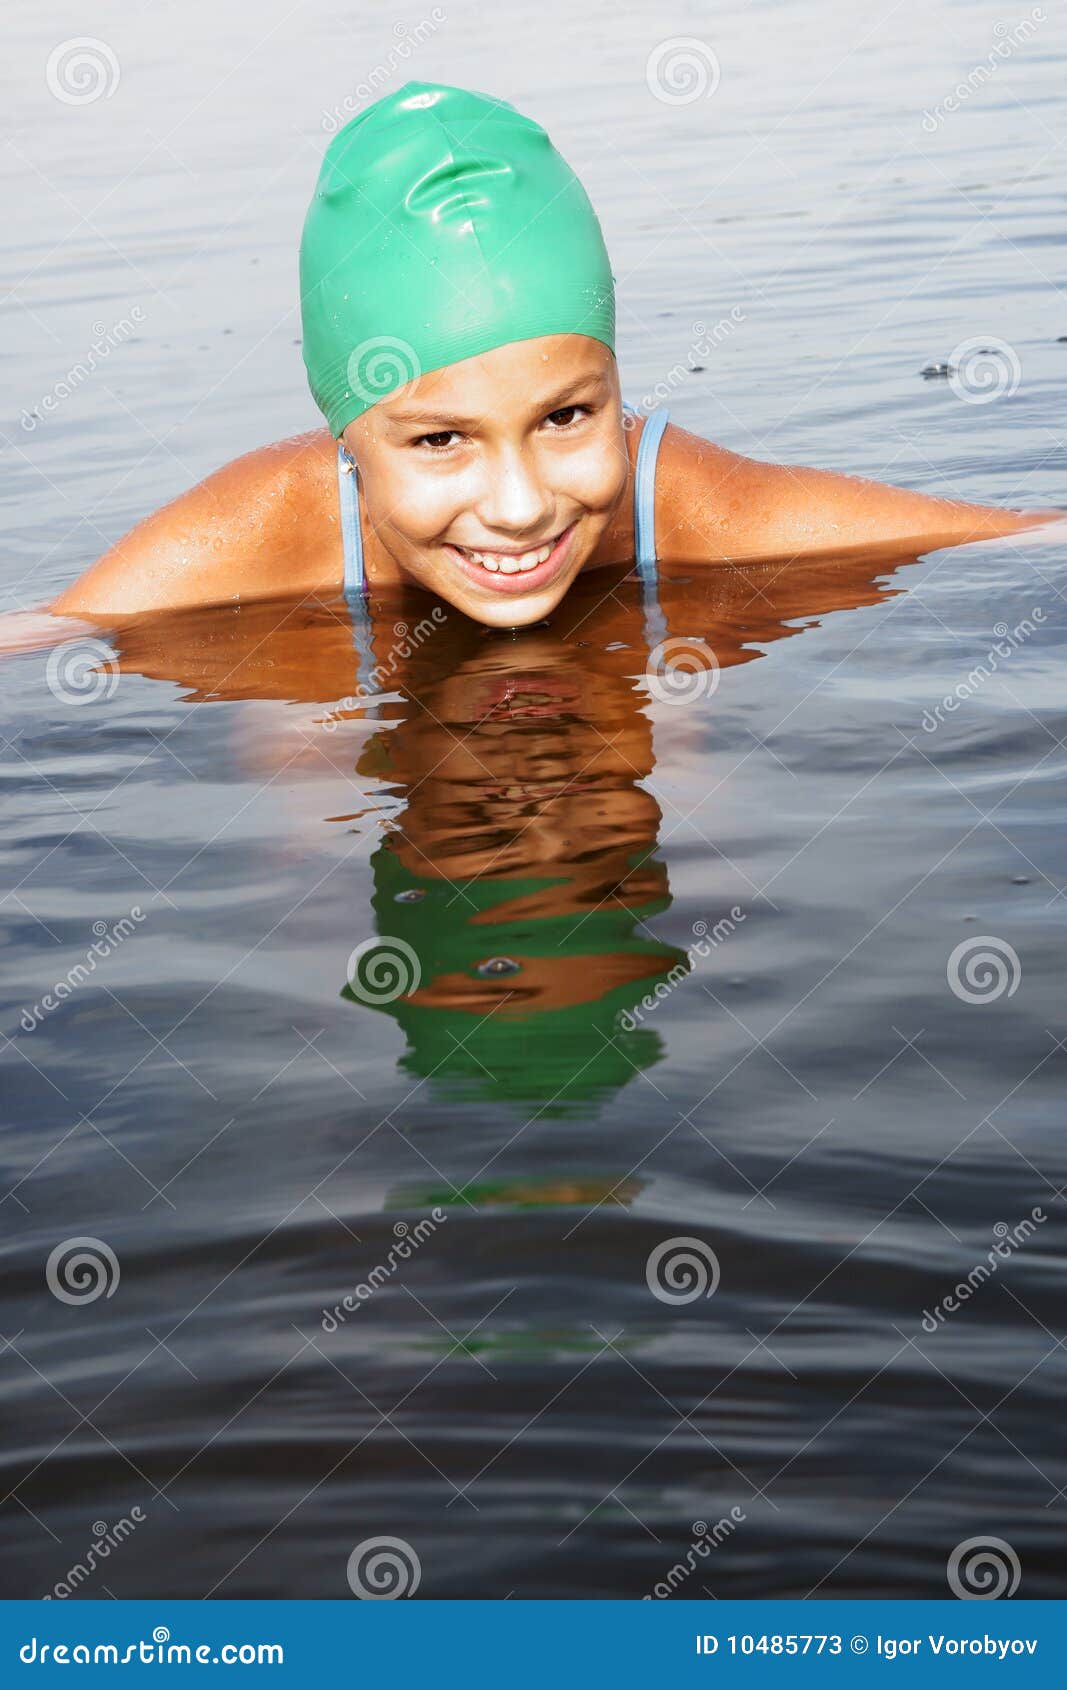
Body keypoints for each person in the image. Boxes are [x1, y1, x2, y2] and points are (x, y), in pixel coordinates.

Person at [47, 81, 1056, 629]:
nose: (522, 504)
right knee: (297, 782)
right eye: (440, 438)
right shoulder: (258, 532)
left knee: (687, 755)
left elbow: (1001, 537)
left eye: (566, 417)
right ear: (344, 432)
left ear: (616, 387)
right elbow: (44, 638)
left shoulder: (675, 504)